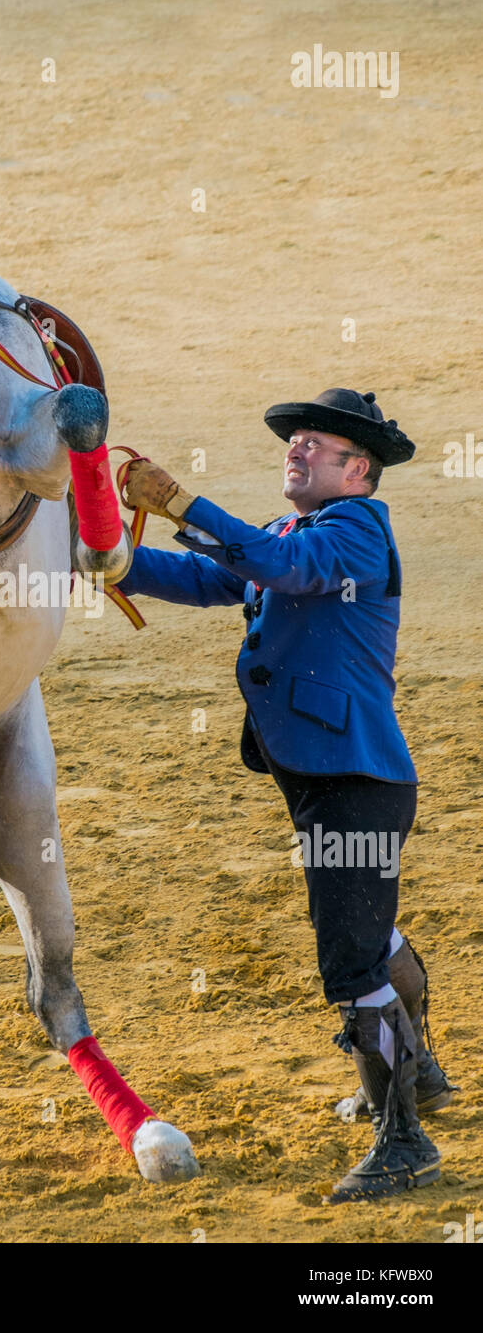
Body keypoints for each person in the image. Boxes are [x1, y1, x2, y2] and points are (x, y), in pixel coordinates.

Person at [116, 388, 456, 1202]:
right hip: (335, 781)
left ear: (359, 469)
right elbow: (207, 576)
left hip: (354, 786)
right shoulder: (292, 537)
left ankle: (404, 1141)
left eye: (316, 445)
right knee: (364, 929)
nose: (296, 451)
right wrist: (107, 560)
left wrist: (179, 500)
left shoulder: (355, 533)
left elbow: (280, 568)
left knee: (351, 960)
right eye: (294, 442)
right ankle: (425, 1077)